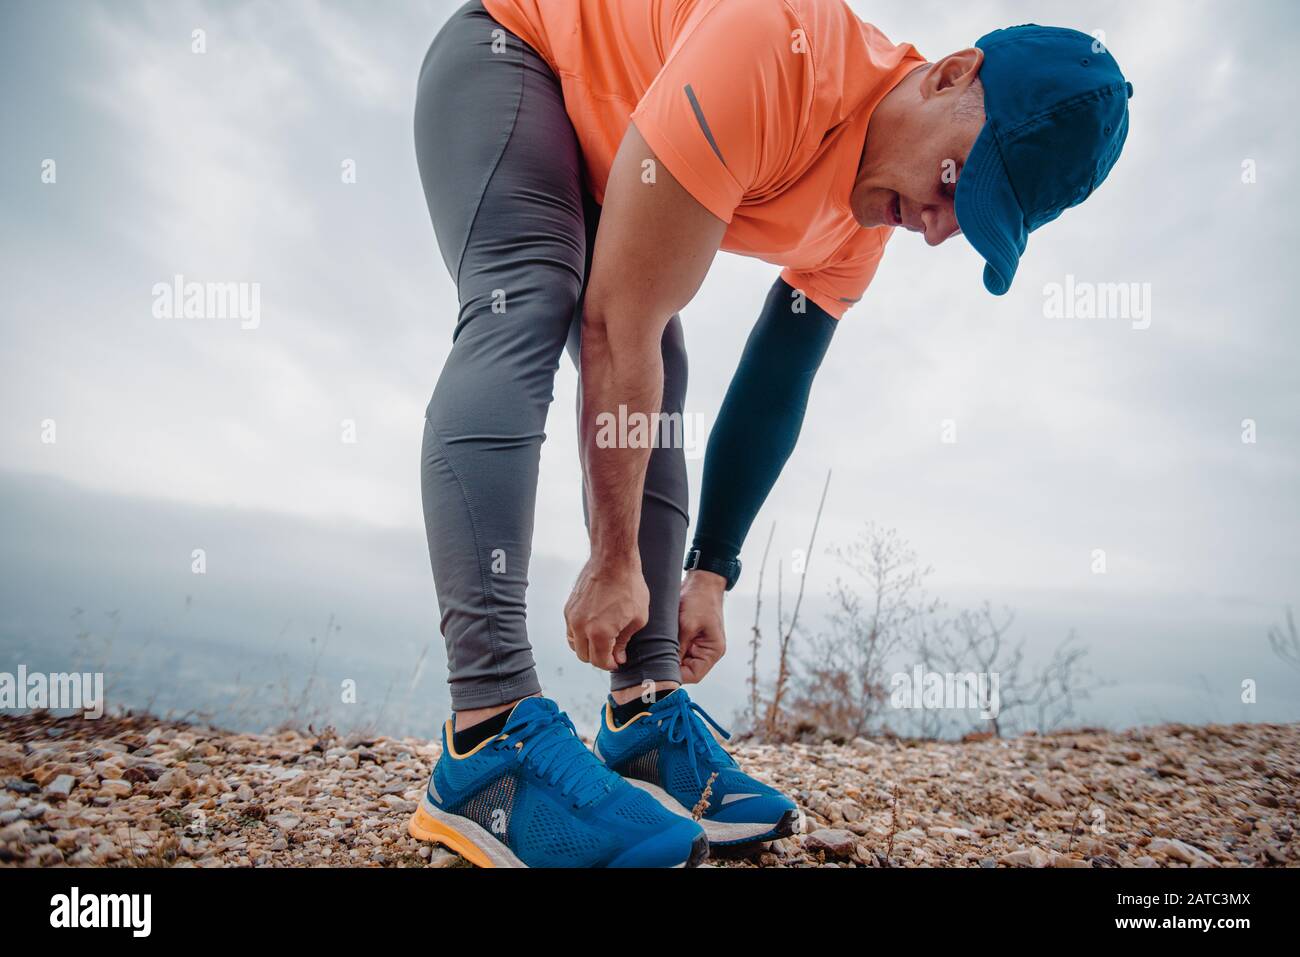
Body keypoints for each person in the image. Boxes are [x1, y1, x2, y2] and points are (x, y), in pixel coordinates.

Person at [407, 0, 1132, 867]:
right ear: (950, 76)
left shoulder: (862, 223)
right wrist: (612, 559)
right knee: (528, 295)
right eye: (957, 184)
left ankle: (642, 718)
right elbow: (614, 324)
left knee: (660, 357)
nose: (940, 227)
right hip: (512, 51)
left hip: (611, 143)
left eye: (974, 218)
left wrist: (710, 569)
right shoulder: (779, 53)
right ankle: (485, 736)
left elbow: (775, 383)